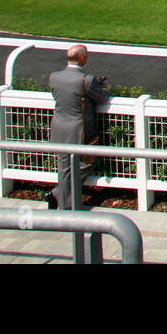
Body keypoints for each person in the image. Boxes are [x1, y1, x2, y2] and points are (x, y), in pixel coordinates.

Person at [46, 44, 110, 210]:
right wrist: (103, 88)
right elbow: (102, 97)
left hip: (59, 127)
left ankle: (59, 196)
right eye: (86, 55)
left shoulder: (54, 76)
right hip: (79, 130)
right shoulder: (86, 80)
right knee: (88, 162)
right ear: (81, 58)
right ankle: (64, 202)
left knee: (64, 169)